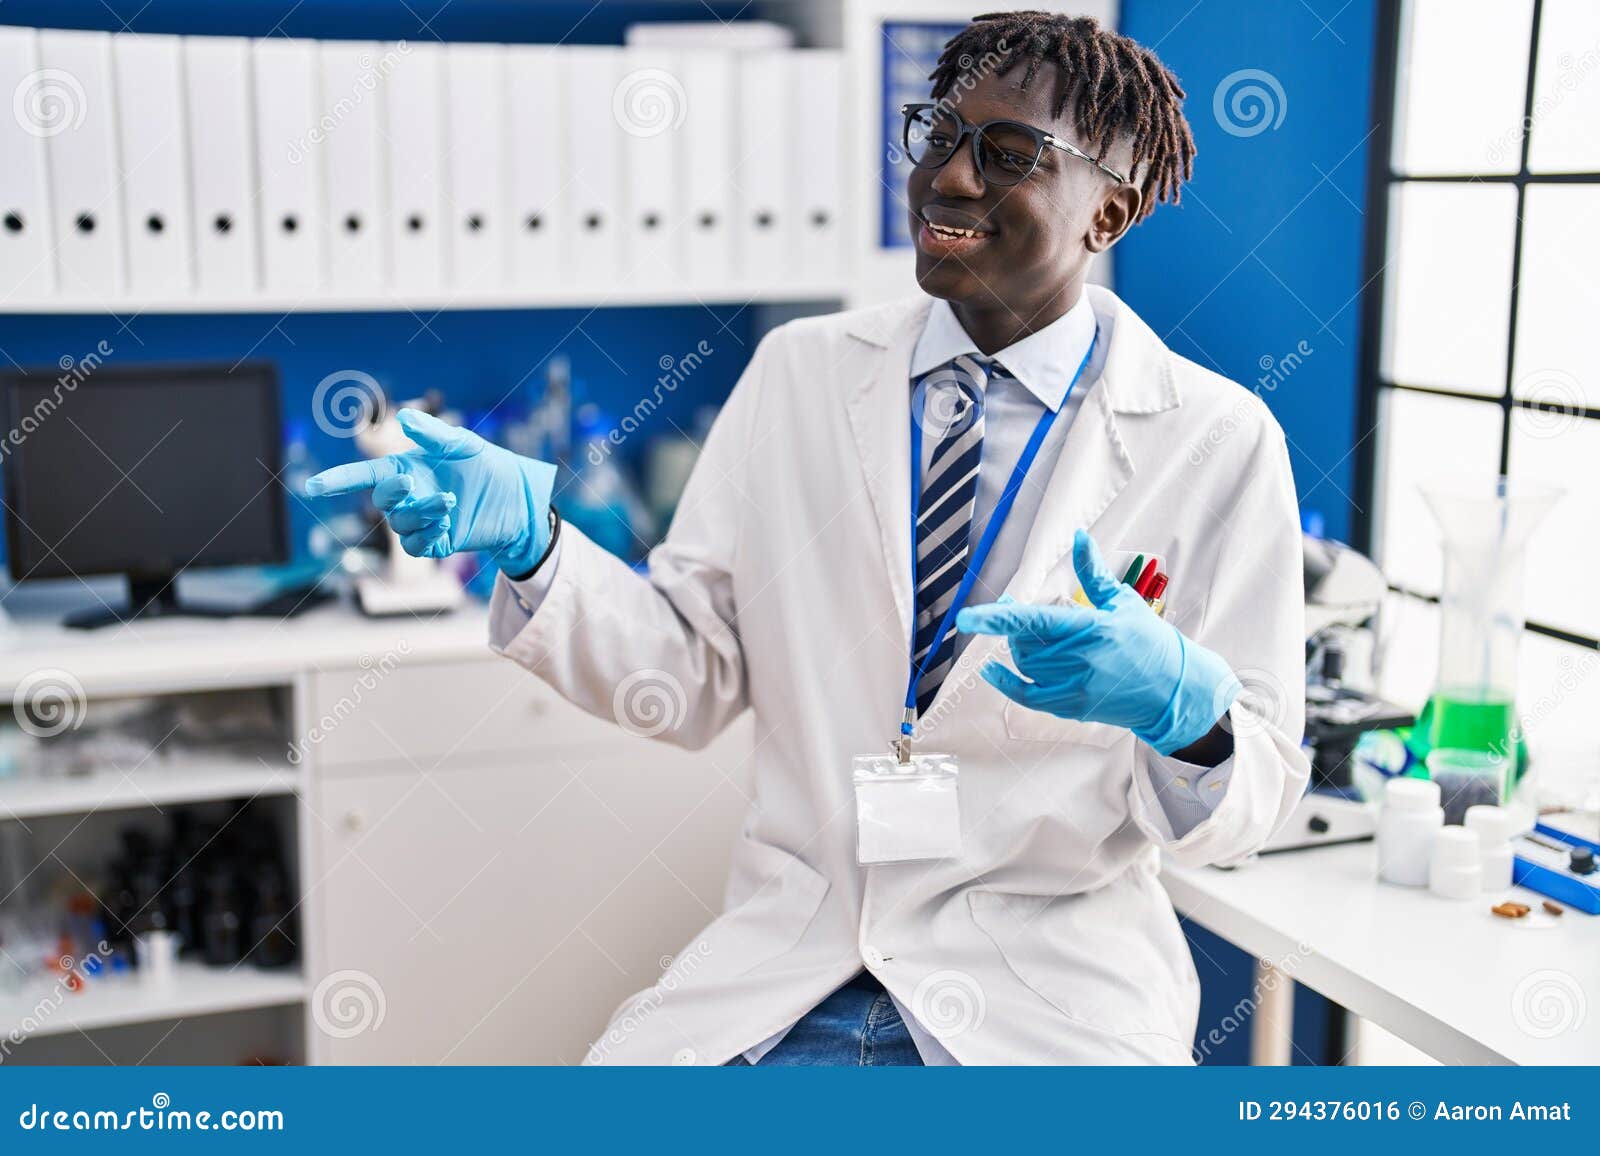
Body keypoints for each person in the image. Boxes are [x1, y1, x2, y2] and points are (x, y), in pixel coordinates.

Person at [307, 10, 1309, 1065]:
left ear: (1110, 208)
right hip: (798, 966)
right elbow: (688, 675)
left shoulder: (1216, 439)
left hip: (1042, 996)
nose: (948, 179)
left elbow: (1246, 806)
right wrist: (537, 547)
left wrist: (1185, 715)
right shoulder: (800, 371)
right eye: (939, 135)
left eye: (1009, 154)